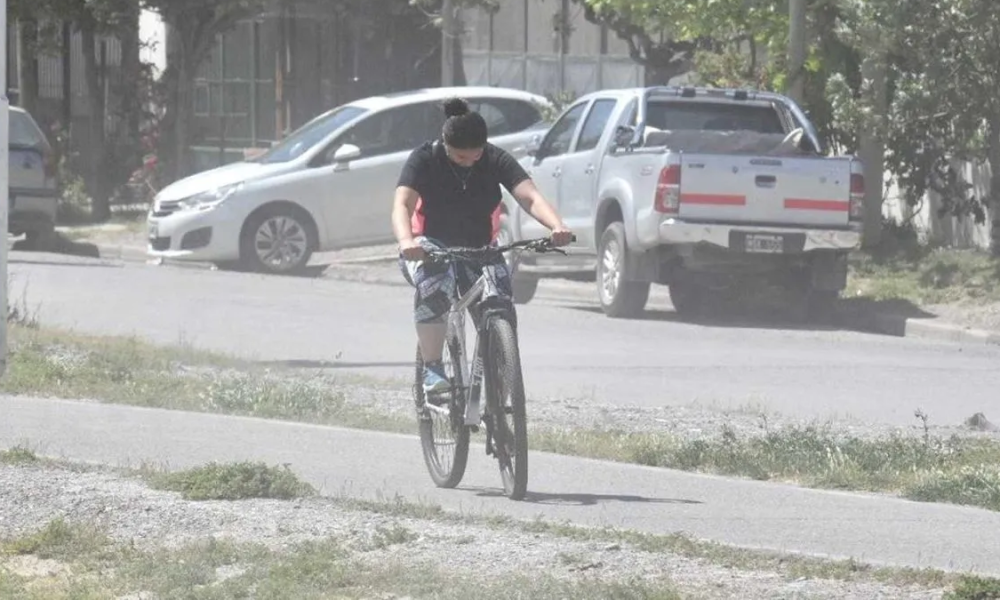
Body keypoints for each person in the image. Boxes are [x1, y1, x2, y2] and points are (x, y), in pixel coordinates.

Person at [391, 97, 573, 394]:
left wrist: (556, 225)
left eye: (476, 156)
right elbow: (402, 204)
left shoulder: (495, 159)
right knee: (435, 285)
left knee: (499, 298)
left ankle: (501, 383)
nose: (470, 163)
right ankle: (434, 367)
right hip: (430, 246)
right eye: (461, 158)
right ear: (446, 145)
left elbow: (530, 197)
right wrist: (406, 241)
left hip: (480, 248)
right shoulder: (424, 159)